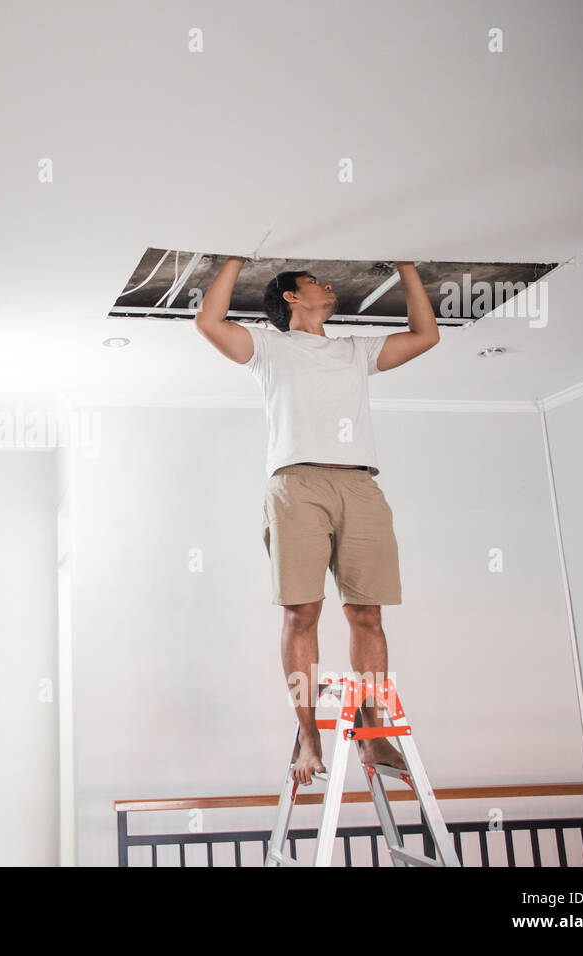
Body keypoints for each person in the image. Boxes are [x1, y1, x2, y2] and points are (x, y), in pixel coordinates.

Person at [194, 258, 440, 785]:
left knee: (367, 615)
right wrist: (237, 256)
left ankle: (373, 731)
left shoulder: (356, 350)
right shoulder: (268, 348)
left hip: (359, 483)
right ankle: (309, 737)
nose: (328, 286)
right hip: (296, 483)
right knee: (301, 613)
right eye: (315, 283)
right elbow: (209, 324)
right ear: (290, 298)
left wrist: (406, 266)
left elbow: (426, 335)